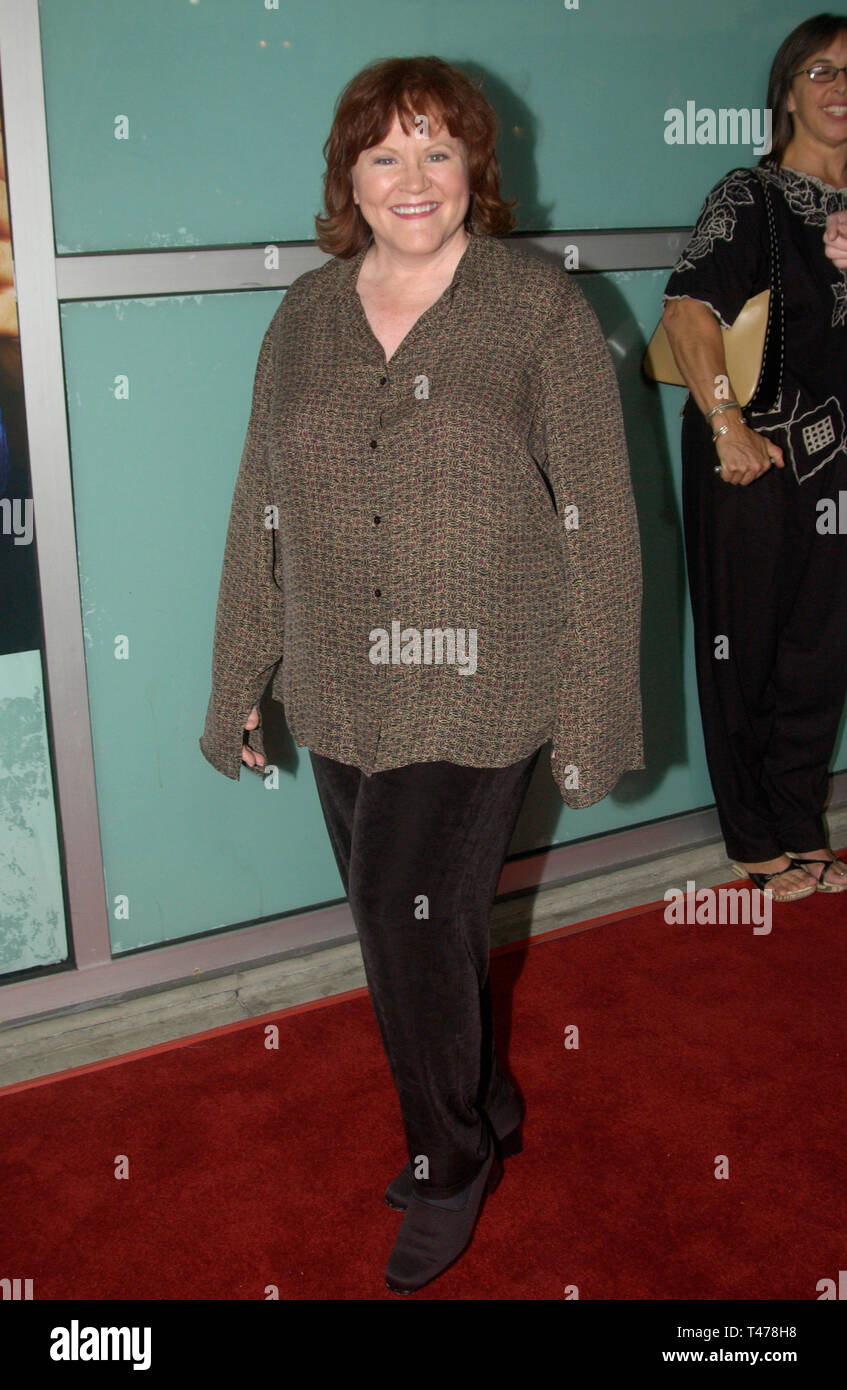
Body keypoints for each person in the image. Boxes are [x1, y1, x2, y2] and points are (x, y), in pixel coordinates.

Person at [200, 56, 643, 1294]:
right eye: (385, 152)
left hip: (484, 677)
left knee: (406, 926)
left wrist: (593, 708)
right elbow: (259, 509)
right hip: (339, 679)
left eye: (438, 151)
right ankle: (488, 1094)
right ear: (348, 173)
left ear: (474, 172)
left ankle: (450, 1158)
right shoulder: (302, 317)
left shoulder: (538, 311)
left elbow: (600, 524)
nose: (413, 178)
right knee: (411, 924)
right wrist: (241, 670)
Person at [661, 13, 847, 902]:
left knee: (822, 650)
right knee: (746, 650)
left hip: (836, 472)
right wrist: (728, 426)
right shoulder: (749, 197)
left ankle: (799, 820)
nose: (839, 87)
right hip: (748, 456)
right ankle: (752, 834)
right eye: (819, 71)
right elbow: (687, 312)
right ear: (784, 93)